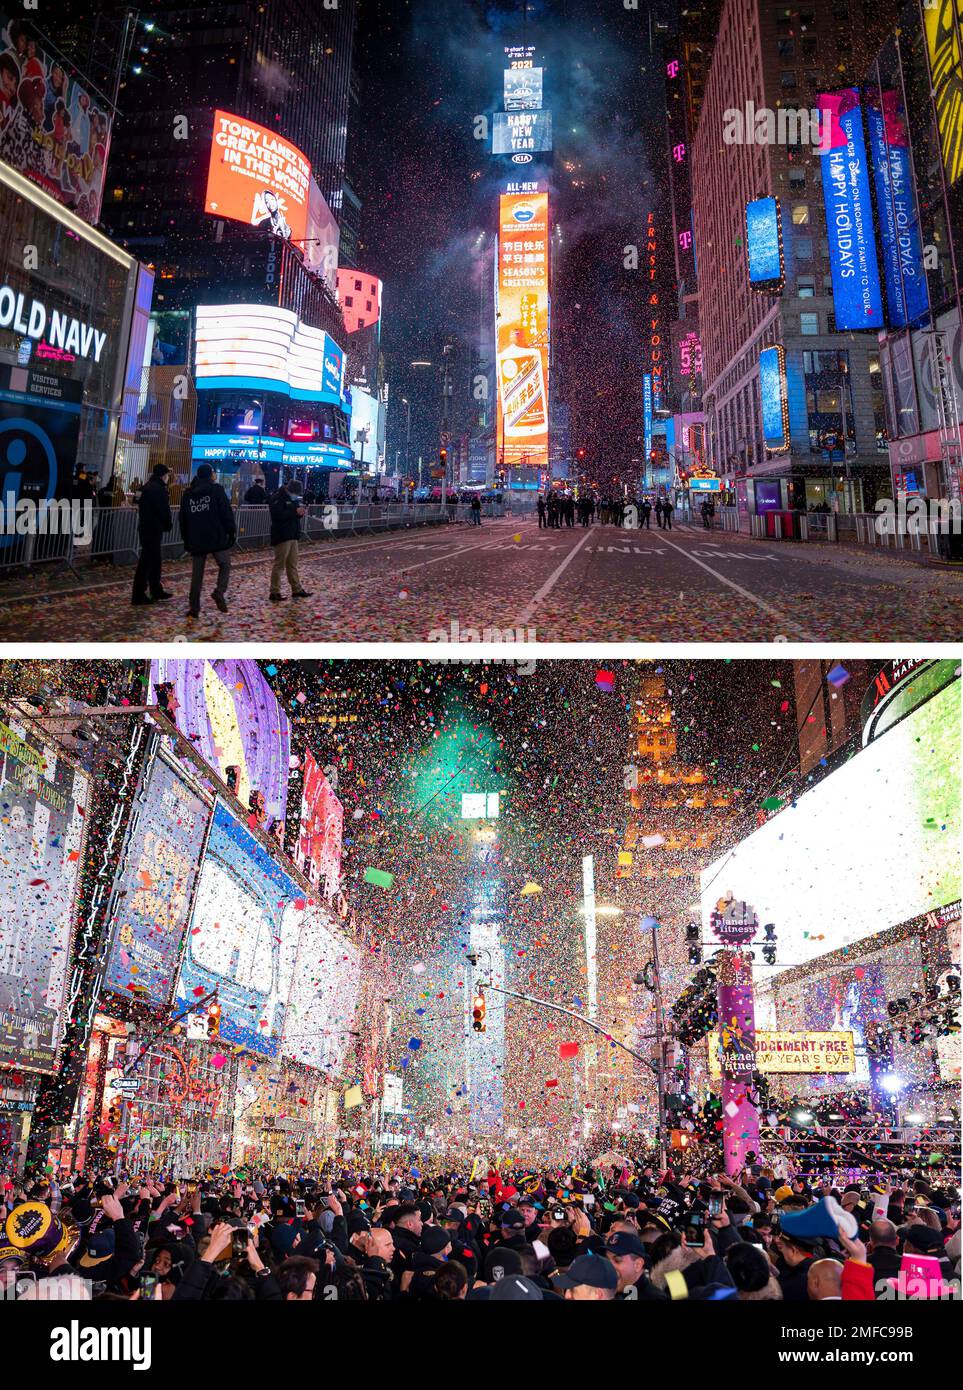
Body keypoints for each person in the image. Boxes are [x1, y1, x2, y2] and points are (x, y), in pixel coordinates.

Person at [179, 463, 236, 620]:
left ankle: (194, 608)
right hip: (216, 536)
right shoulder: (216, 490)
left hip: (196, 538)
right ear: (210, 474)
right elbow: (225, 511)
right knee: (225, 564)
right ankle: (219, 592)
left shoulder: (188, 494)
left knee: (197, 575)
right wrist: (231, 530)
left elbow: (182, 518)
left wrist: (186, 539)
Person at [131, 464, 174, 605]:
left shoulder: (145, 487)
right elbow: (163, 509)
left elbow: (135, 500)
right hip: (154, 529)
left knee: (154, 560)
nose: (168, 477)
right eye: (167, 475)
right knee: (147, 561)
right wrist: (168, 524)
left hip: (144, 527)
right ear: (163, 475)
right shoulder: (159, 489)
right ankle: (138, 594)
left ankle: (156, 589)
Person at [268, 477, 312, 602]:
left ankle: (296, 589)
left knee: (292, 564)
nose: (296, 496)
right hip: (282, 535)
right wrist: (295, 512)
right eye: (296, 493)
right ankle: (274, 591)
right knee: (280, 564)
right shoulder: (277, 498)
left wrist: (300, 513)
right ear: (290, 490)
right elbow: (277, 516)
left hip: (292, 534)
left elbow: (293, 513)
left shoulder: (292, 499)